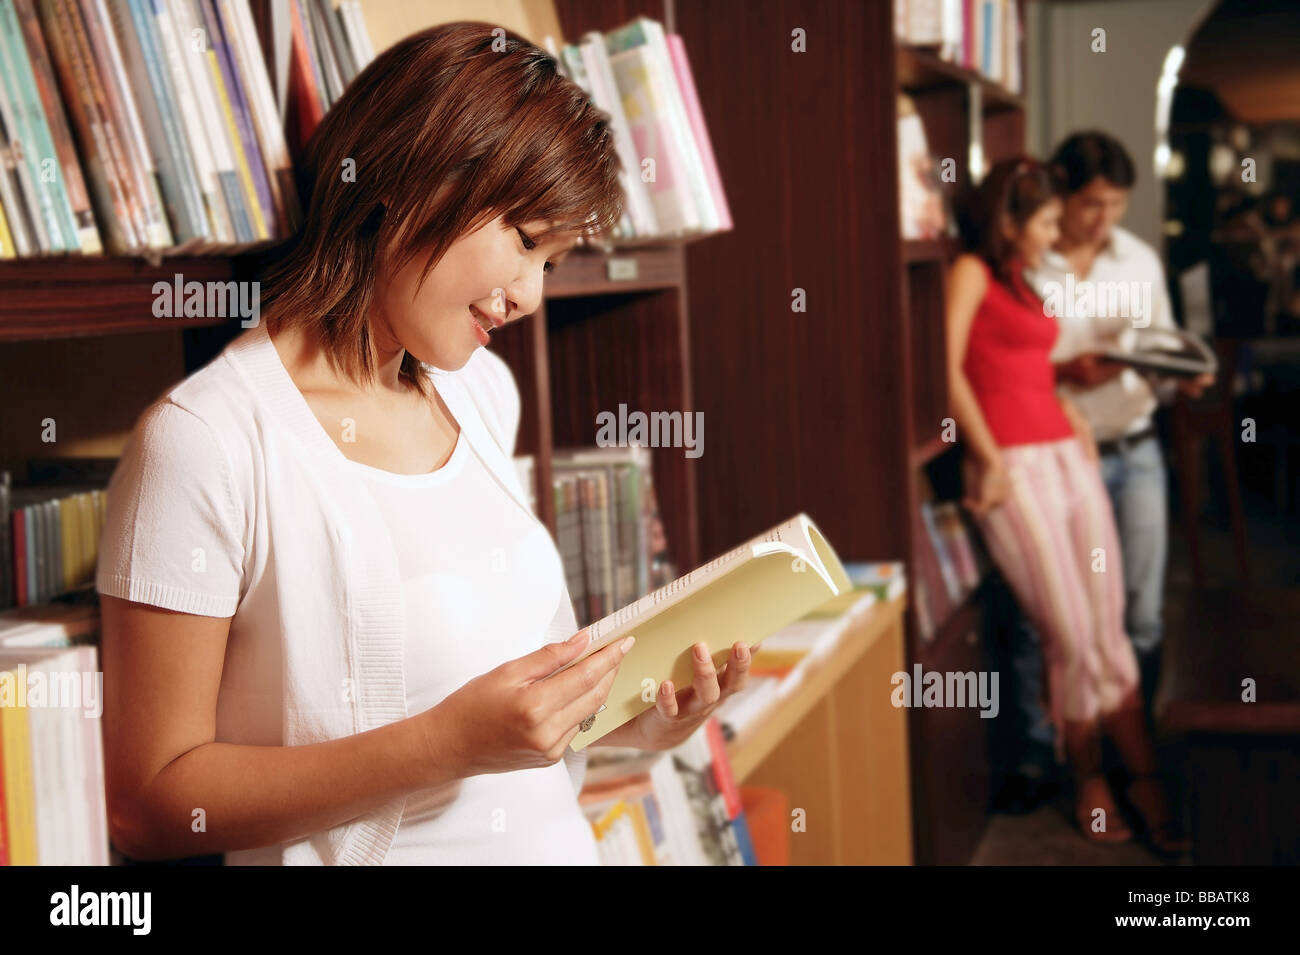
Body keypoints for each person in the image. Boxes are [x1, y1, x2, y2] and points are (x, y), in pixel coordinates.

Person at [96, 23, 757, 866]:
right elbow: (150, 803)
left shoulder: (484, 395)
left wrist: (638, 720)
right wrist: (443, 744)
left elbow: (509, 733)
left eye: (553, 262)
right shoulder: (206, 443)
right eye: (525, 240)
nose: (528, 296)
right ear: (413, 176)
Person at [945, 156, 1187, 853]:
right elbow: (947, 367)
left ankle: (1143, 776)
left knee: (1109, 627)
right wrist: (988, 456)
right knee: (1071, 635)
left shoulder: (1025, 280)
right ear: (1010, 221)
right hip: (1014, 468)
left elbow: (1025, 368)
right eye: (1048, 219)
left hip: (1066, 453)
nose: (1058, 232)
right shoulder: (973, 273)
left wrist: (1069, 411)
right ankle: (1089, 779)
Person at [1026, 131, 1213, 708]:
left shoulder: (1138, 260)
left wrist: (1177, 374)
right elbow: (1009, 363)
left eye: (1117, 204)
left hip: (1134, 450)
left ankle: (1139, 743)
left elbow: (1156, 348)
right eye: (1091, 204)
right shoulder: (1031, 259)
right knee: (1064, 617)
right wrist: (1068, 372)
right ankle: (1065, 750)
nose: (1104, 218)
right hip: (1056, 455)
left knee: (1142, 608)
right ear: (1062, 194)